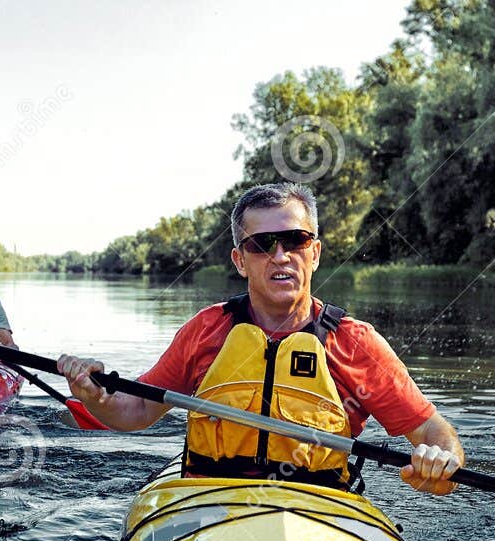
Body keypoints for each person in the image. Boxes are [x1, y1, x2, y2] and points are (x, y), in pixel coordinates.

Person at [57, 183, 462, 494]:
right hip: (210, 499)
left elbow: (434, 433)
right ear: (240, 260)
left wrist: (439, 464)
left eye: (295, 241)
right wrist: (96, 396)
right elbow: (138, 409)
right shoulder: (206, 330)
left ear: (315, 253)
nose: (281, 255)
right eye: (262, 245)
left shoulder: (356, 343)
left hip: (318, 508)